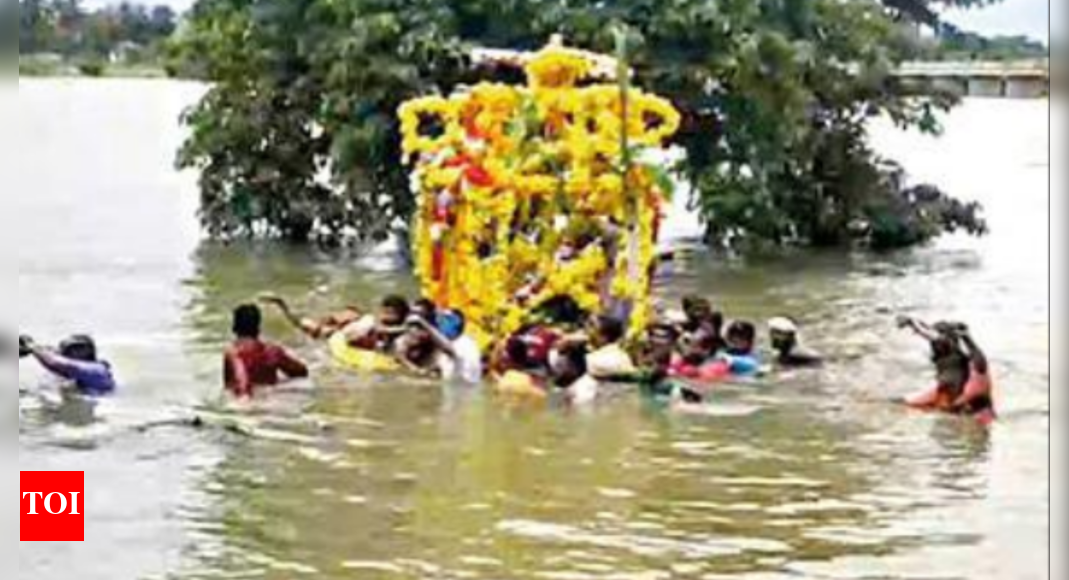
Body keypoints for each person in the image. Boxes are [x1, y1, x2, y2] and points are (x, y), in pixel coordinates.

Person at [224, 304, 309, 397]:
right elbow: (301, 372)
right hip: (272, 400)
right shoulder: (272, 351)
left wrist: (244, 400)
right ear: (258, 327)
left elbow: (241, 380)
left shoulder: (234, 353)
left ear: (234, 328)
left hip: (246, 402)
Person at [19, 334, 116, 396]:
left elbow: (55, 363)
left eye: (78, 349)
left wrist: (32, 346)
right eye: (67, 350)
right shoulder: (64, 376)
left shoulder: (96, 370)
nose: (73, 353)